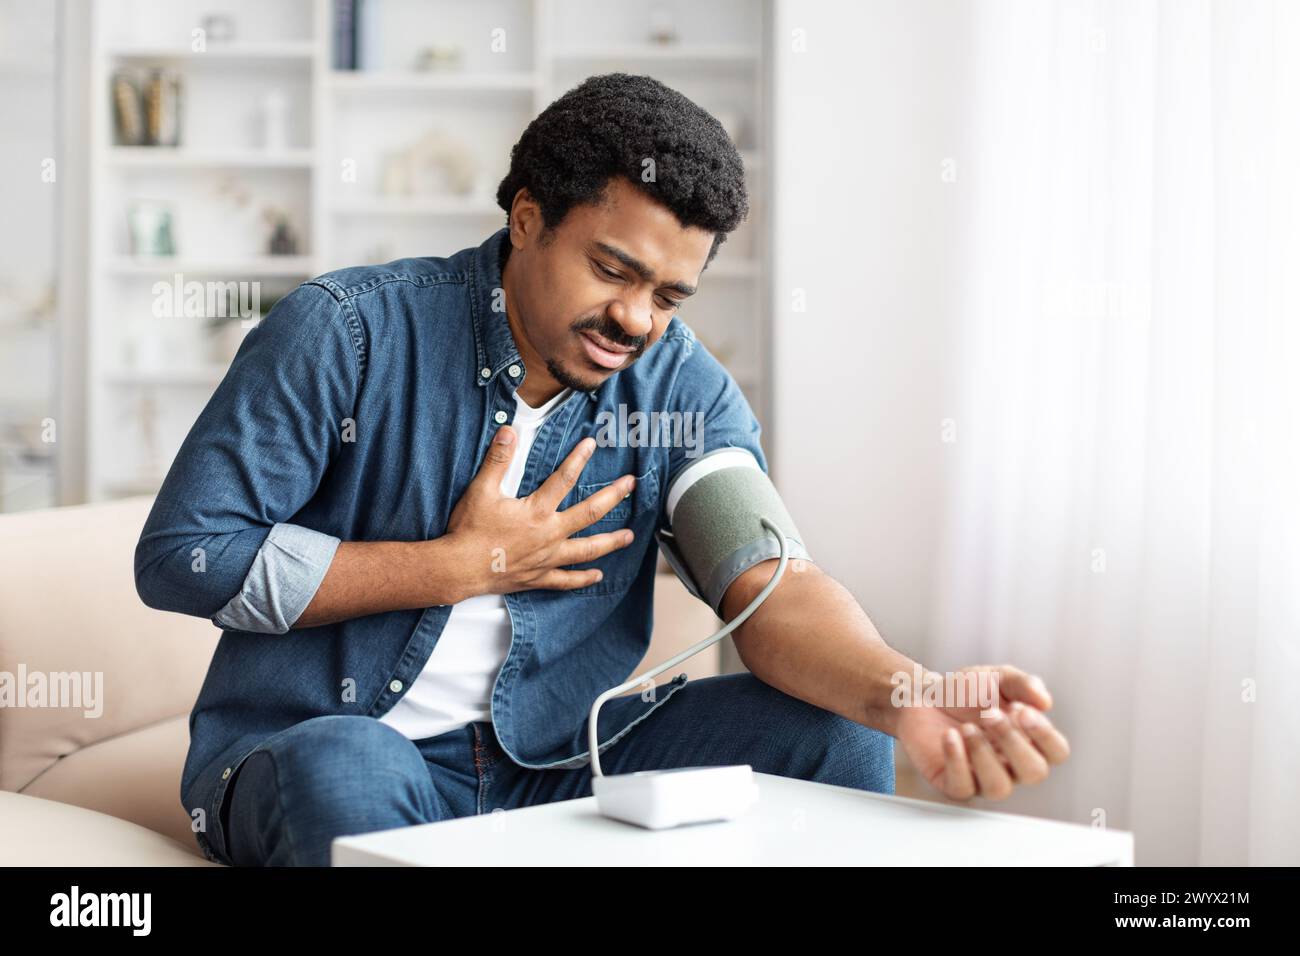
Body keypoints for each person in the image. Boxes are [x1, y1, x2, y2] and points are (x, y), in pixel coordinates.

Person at [135, 73, 1069, 867]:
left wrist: (909, 694)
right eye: (612, 270)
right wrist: (458, 565)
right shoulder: (347, 332)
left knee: (834, 733)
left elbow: (769, 586)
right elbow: (186, 553)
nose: (636, 320)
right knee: (345, 767)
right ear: (529, 217)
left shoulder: (682, 391)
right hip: (329, 748)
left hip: (560, 761)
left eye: (668, 294)